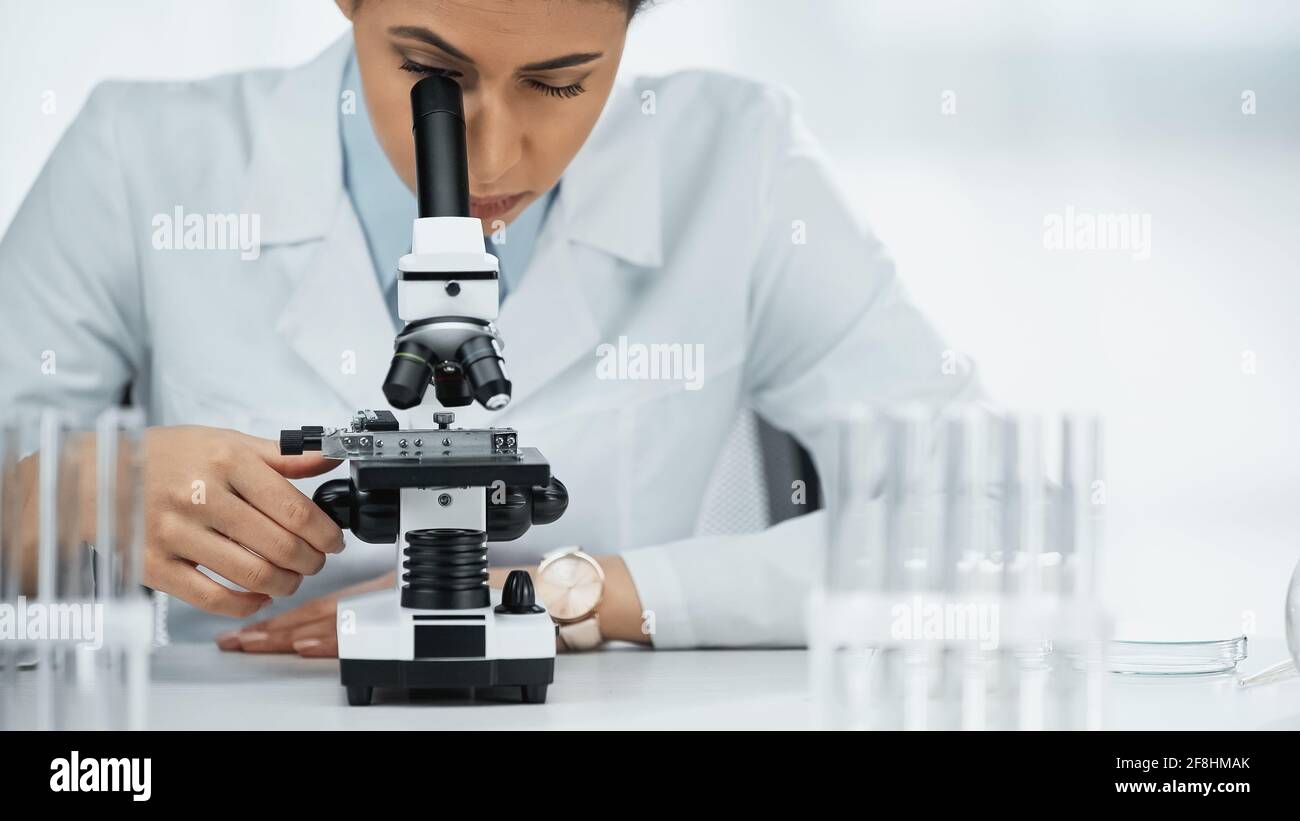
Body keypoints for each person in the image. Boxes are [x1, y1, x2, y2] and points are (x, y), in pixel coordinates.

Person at [0, 0, 977, 654]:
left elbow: (985, 518)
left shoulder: (740, 161)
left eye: (560, 84)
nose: (495, 153)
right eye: (432, 73)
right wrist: (70, 494)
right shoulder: (137, 158)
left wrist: (584, 593)